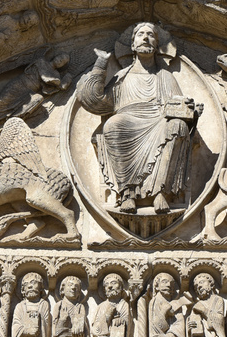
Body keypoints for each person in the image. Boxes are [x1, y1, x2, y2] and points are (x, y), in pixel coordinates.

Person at [77, 22, 196, 214]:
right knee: (113, 125)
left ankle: (161, 192)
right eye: (140, 34)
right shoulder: (122, 76)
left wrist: (189, 108)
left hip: (159, 120)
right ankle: (127, 194)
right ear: (132, 45)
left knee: (178, 126)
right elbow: (96, 100)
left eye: (151, 35)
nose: (146, 38)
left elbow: (178, 106)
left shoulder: (165, 77)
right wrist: (101, 64)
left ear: (157, 46)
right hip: (128, 119)